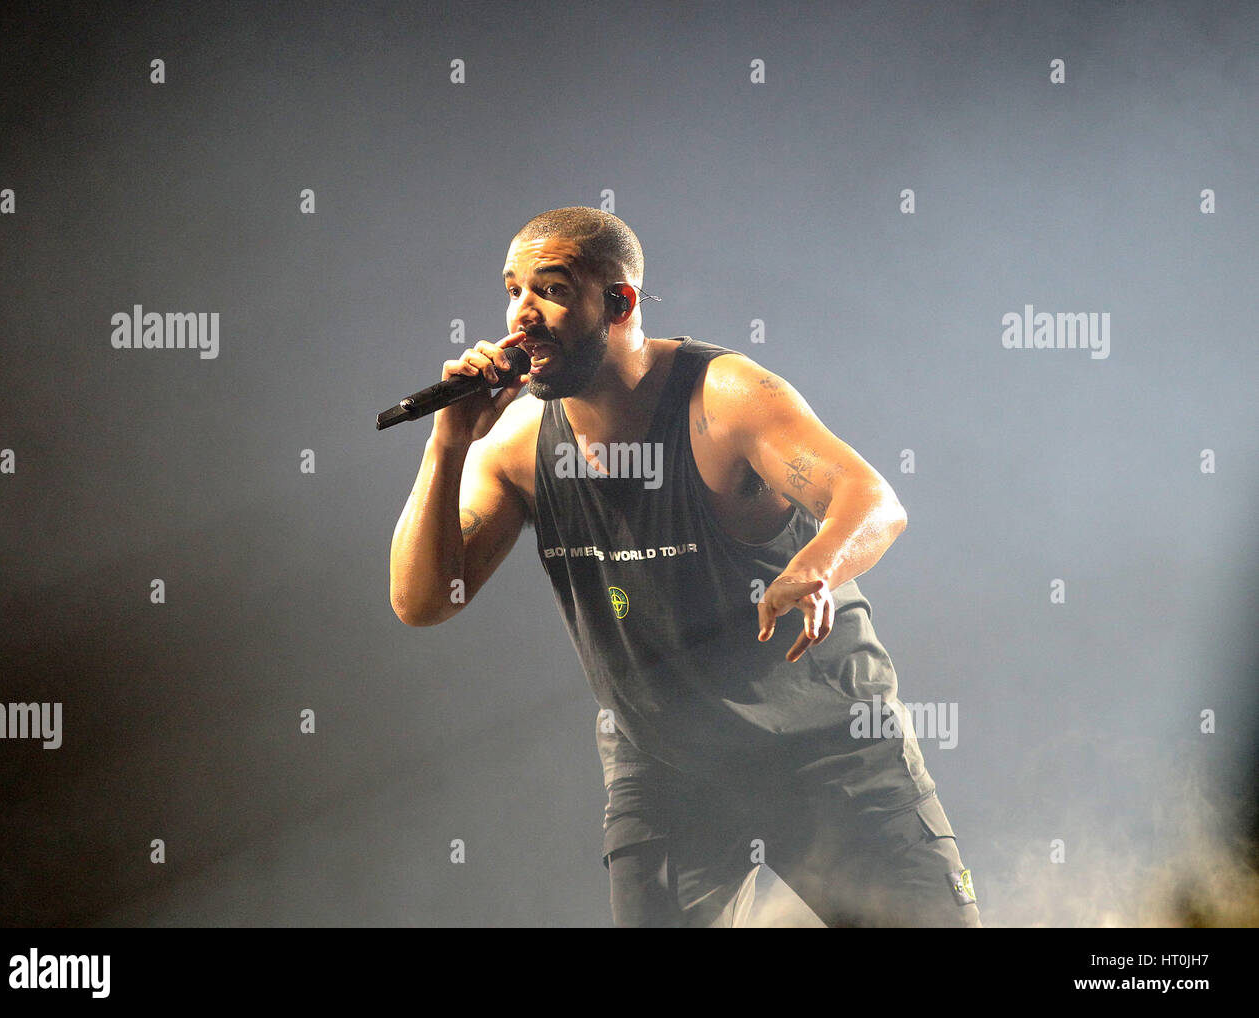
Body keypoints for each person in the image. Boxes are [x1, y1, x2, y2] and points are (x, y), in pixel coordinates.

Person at [390, 207, 981, 928]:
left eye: (549, 290)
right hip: (668, 770)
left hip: (828, 751)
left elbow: (873, 499)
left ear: (619, 302)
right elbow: (422, 602)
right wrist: (447, 446)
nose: (521, 315)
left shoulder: (725, 399)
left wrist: (819, 563)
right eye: (512, 291)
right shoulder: (515, 444)